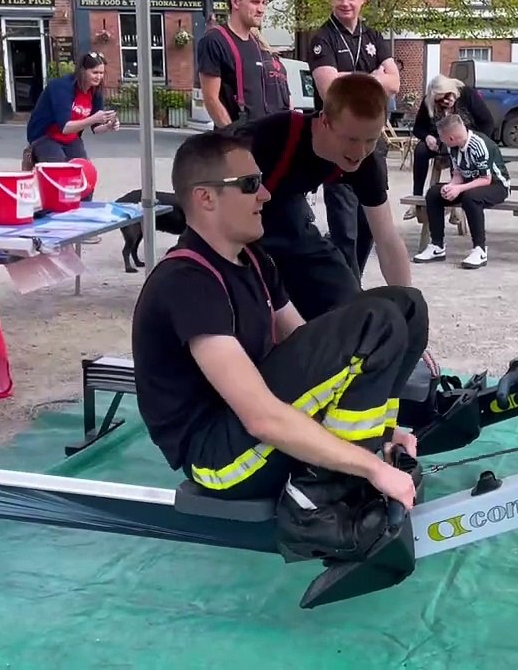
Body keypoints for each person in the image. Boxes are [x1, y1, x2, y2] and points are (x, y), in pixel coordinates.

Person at [131, 129, 428, 560]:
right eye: (251, 184)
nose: (267, 194)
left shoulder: (252, 259)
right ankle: (312, 509)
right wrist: (371, 468)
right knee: (374, 322)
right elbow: (261, 418)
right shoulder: (186, 282)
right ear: (205, 198)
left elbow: (306, 346)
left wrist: (381, 429)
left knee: (404, 307)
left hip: (247, 432)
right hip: (220, 460)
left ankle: (352, 463)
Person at [243, 72, 413, 321]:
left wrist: (409, 311)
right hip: (239, 221)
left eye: (371, 140)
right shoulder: (272, 136)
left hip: (291, 219)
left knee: (345, 297)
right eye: (351, 139)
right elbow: (208, 186)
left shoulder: (367, 161)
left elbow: (387, 238)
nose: (359, 152)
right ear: (324, 121)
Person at [307, 0, 400, 278]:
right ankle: (346, 292)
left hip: (373, 144)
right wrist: (373, 78)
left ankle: (352, 282)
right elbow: (329, 87)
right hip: (338, 145)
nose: (344, 3)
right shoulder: (323, 38)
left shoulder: (372, 36)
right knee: (344, 228)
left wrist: (354, 79)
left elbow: (396, 81)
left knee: (370, 223)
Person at [413, 113, 511, 270]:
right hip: (469, 183)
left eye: (441, 138)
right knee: (434, 193)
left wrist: (459, 189)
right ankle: (437, 246)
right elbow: (458, 173)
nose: (440, 140)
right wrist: (451, 186)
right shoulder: (453, 147)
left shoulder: (479, 145)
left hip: (497, 185)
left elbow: (485, 179)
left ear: (451, 138)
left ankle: (480, 249)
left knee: (471, 198)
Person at [197, 0, 291, 128]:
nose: (261, 9)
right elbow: (211, 99)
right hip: (237, 143)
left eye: (264, 2)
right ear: (235, 2)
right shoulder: (214, 41)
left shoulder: (260, 45)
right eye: (255, 2)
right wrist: (234, 140)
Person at [405, 73, 494, 220]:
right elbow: (418, 128)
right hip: (441, 141)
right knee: (420, 150)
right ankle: (417, 199)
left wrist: (475, 142)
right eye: (441, 100)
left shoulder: (467, 94)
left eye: (449, 96)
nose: (448, 101)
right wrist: (427, 137)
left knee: (459, 154)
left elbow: (487, 122)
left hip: (466, 139)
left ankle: (458, 205)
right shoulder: (428, 102)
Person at [25, 51, 118, 164]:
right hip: (45, 136)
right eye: (95, 72)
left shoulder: (95, 91)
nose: (99, 77)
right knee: (59, 168)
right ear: (83, 71)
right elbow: (65, 127)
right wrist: (94, 118)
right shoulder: (62, 87)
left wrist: (108, 126)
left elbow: (96, 128)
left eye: (101, 73)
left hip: (71, 138)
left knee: (83, 169)